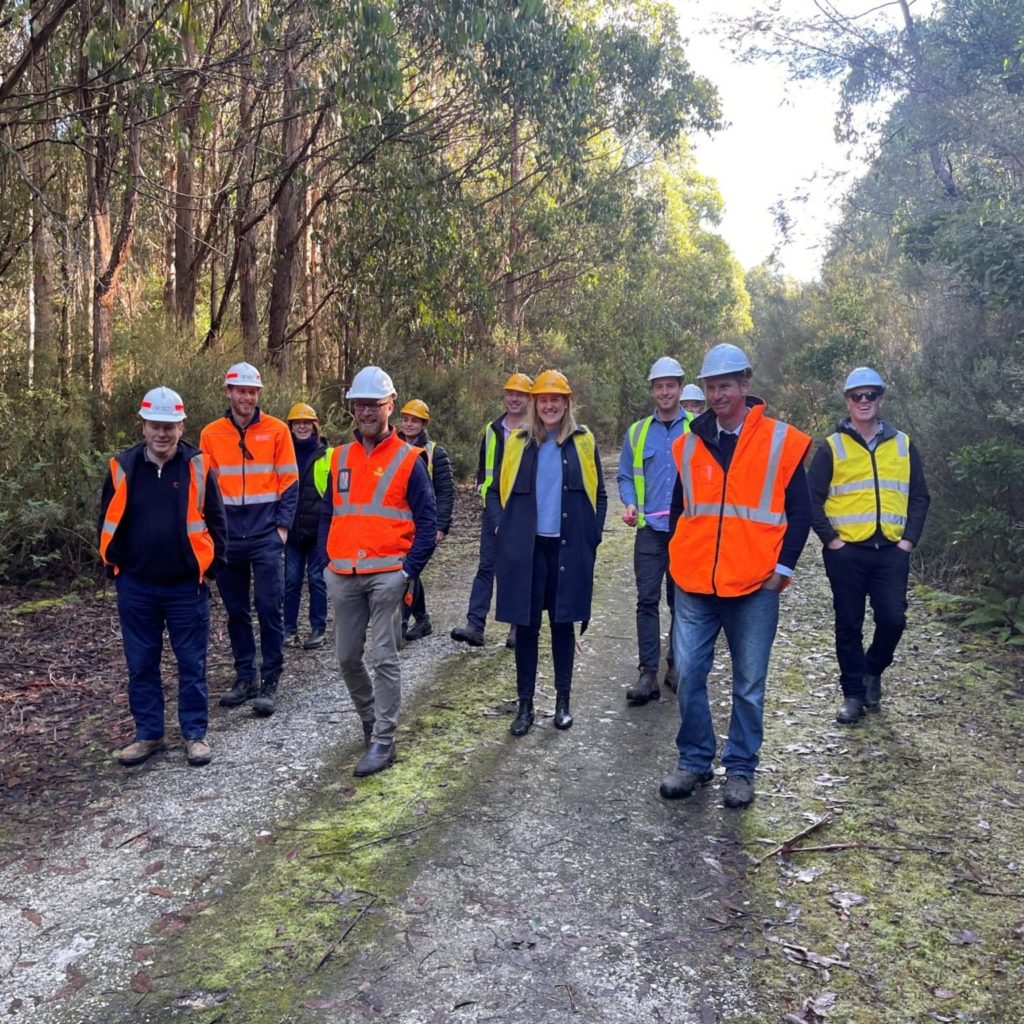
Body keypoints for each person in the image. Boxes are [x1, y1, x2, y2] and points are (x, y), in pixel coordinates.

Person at [660, 343, 811, 809]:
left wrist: (781, 571)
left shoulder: (781, 441)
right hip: (696, 585)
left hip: (754, 586)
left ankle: (741, 767)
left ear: (745, 384)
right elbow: (682, 511)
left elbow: (801, 513)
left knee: (748, 682)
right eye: (711, 386)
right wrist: (677, 566)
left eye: (726, 385)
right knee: (686, 673)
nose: (718, 394)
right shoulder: (688, 443)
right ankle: (696, 759)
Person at [317, 366, 437, 777]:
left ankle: (384, 740)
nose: (367, 411)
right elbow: (326, 512)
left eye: (375, 404)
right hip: (344, 573)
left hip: (388, 573)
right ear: (353, 407)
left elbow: (428, 519)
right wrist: (324, 562)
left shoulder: (409, 459)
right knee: (348, 657)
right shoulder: (339, 457)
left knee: (384, 656)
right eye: (360, 404)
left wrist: (408, 573)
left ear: (390, 406)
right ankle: (370, 722)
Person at [99, 387, 228, 767]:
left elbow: (217, 522)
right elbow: (107, 519)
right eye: (156, 425)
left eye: (170, 426)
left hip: (186, 587)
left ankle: (194, 735)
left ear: (181, 426)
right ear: (143, 426)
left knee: (191, 662)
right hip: (137, 585)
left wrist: (210, 567)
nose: (163, 434)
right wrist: (115, 567)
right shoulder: (122, 466)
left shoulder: (198, 465)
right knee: (141, 663)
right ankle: (149, 734)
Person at [808, 367, 930, 724]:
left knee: (893, 619)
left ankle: (872, 669)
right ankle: (853, 696)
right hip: (846, 553)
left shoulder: (904, 444)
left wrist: (908, 541)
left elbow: (920, 496)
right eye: (856, 396)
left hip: (892, 551)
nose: (864, 402)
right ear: (847, 401)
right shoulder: (832, 447)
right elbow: (811, 499)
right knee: (848, 623)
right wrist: (831, 540)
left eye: (870, 395)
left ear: (881, 399)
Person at [488, 370, 607, 736]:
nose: (550, 405)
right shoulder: (518, 442)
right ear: (535, 404)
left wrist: (592, 536)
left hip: (568, 549)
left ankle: (562, 702)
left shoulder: (583, 443)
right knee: (525, 626)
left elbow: (599, 494)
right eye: (544, 399)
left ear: (567, 403)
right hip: (526, 549)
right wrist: (501, 529)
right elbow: (495, 492)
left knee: (562, 624)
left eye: (556, 399)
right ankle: (525, 706)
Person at [200, 362, 298, 717]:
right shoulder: (211, 433)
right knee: (236, 611)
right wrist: (210, 532)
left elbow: (289, 481)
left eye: (252, 391)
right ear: (228, 392)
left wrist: (282, 528)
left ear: (258, 395)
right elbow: (204, 488)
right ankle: (245, 677)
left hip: (265, 535)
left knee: (269, 606)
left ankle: (270, 678)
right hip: (227, 538)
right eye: (240, 390)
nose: (247, 397)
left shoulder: (277, 430)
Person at [617, 357, 693, 705]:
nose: (665, 391)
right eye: (659, 386)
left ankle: (676, 666)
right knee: (647, 601)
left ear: (680, 387)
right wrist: (630, 503)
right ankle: (648, 673)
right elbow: (625, 476)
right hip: (649, 531)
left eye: (671, 385)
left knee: (683, 602)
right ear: (652, 390)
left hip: (688, 531)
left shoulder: (698, 427)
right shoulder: (637, 432)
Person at [450, 373, 533, 649]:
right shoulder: (492, 428)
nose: (514, 398)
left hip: (524, 512)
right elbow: (484, 475)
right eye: (510, 393)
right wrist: (495, 515)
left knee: (519, 569)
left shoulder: (537, 430)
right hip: (494, 509)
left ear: (529, 398)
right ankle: (475, 625)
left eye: (520, 394)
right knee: (486, 566)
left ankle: (517, 628)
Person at [397, 398, 454, 641]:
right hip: (398, 522)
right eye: (406, 419)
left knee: (410, 570)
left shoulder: (435, 452)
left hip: (424, 523)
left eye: (415, 420)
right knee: (410, 570)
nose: (409, 424)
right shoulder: (392, 446)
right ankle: (422, 619)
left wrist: (440, 525)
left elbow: (446, 491)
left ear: (423, 423)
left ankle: (401, 621)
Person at [283, 402, 333, 650]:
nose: (301, 427)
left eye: (306, 423)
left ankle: (318, 629)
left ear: (314, 425)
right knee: (290, 581)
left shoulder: (328, 454)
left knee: (316, 579)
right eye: (296, 423)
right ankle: (288, 630)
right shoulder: (282, 453)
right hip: (290, 531)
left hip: (318, 532)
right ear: (290, 427)